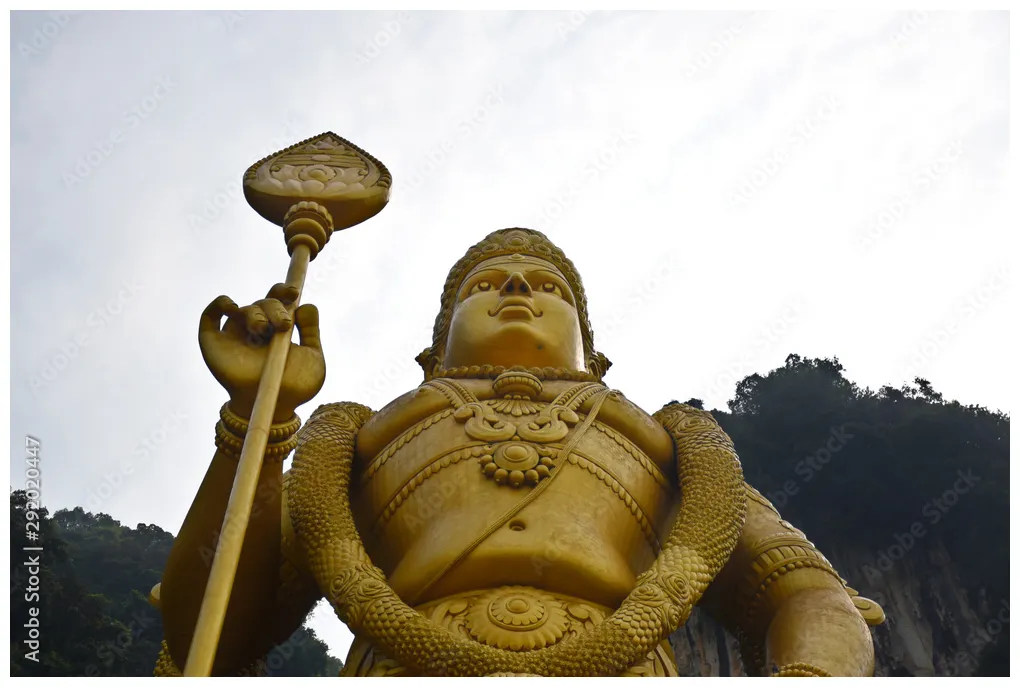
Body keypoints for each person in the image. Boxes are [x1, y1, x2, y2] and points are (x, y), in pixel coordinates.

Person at [154, 228, 883, 676]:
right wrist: (255, 418)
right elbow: (210, 630)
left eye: (546, 287)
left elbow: (801, 589)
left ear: (592, 355)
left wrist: (811, 673)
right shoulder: (363, 441)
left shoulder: (665, 448)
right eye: (483, 285)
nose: (513, 287)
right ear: (433, 346)